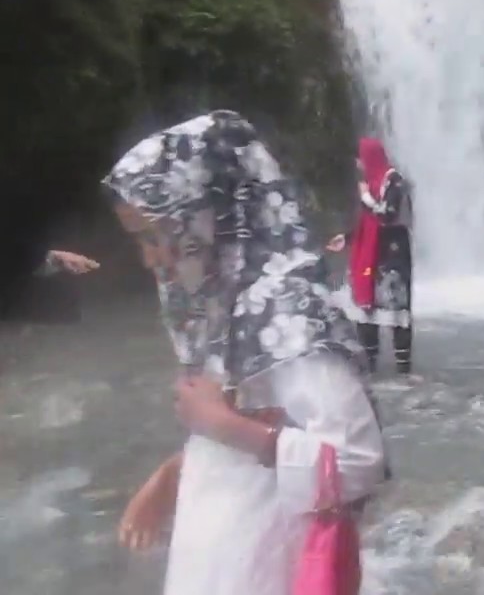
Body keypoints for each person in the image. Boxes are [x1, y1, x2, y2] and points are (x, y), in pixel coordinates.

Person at [107, 111, 386, 595]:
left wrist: (222, 426)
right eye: (139, 241)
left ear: (204, 216)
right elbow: (257, 424)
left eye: (155, 236)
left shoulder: (286, 307)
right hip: (224, 547)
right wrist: (172, 473)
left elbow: (359, 461)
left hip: (268, 559)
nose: (149, 259)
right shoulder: (227, 301)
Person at [327, 137, 414, 376]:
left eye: (360, 159)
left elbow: (387, 216)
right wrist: (347, 238)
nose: (358, 165)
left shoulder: (394, 182)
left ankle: (403, 370)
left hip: (392, 258)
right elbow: (368, 224)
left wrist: (366, 198)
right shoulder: (373, 182)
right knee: (366, 311)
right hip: (372, 256)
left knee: (396, 311)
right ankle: (370, 367)